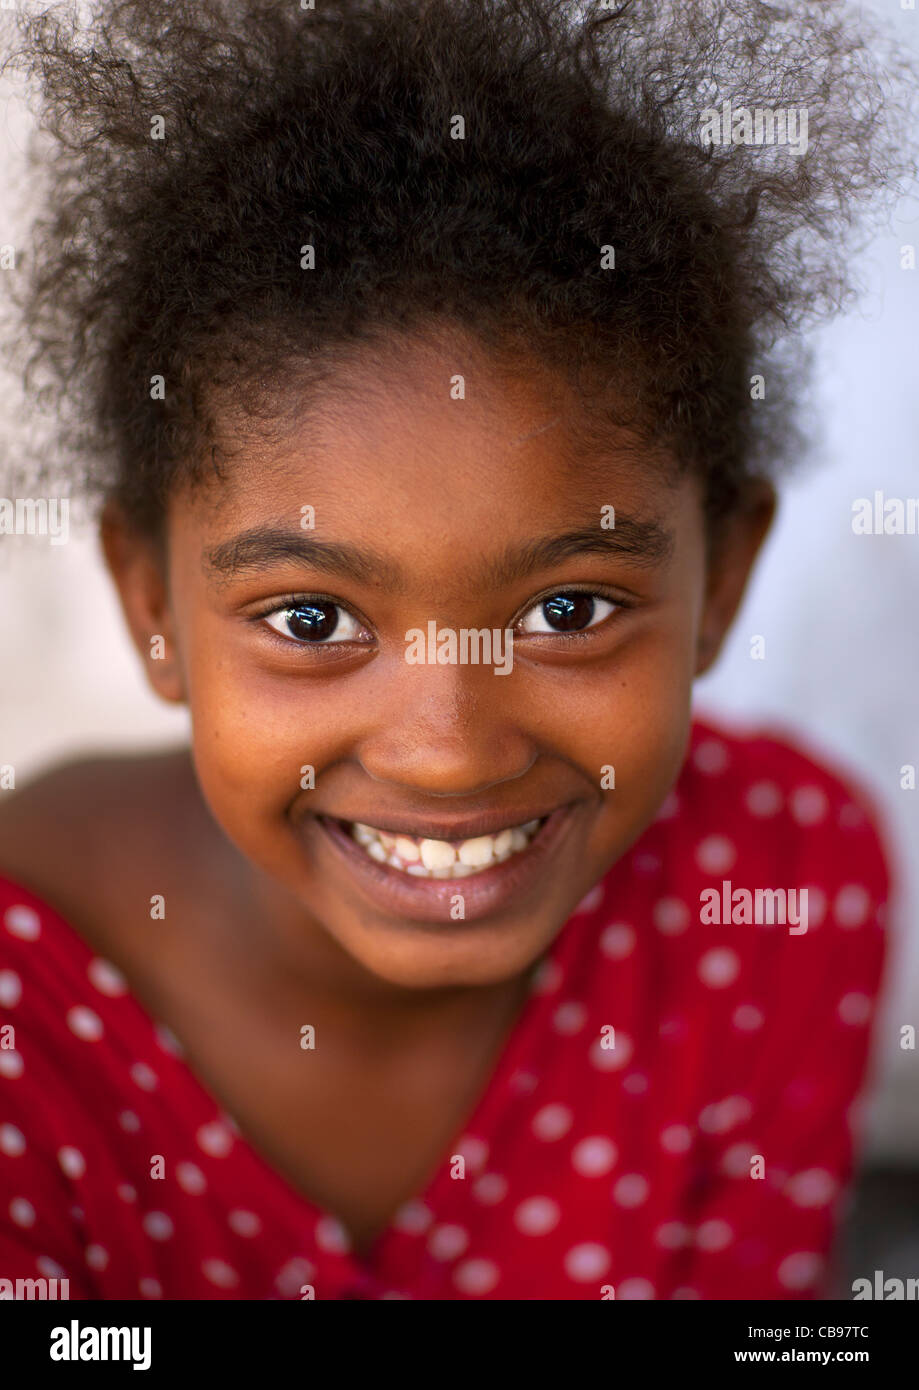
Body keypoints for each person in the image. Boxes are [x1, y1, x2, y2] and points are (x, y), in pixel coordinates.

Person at [0, 0, 912, 1300]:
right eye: (313, 621)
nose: (447, 753)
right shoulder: (25, 1034)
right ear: (151, 603)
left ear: (723, 579)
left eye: (569, 611)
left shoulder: (774, 888)